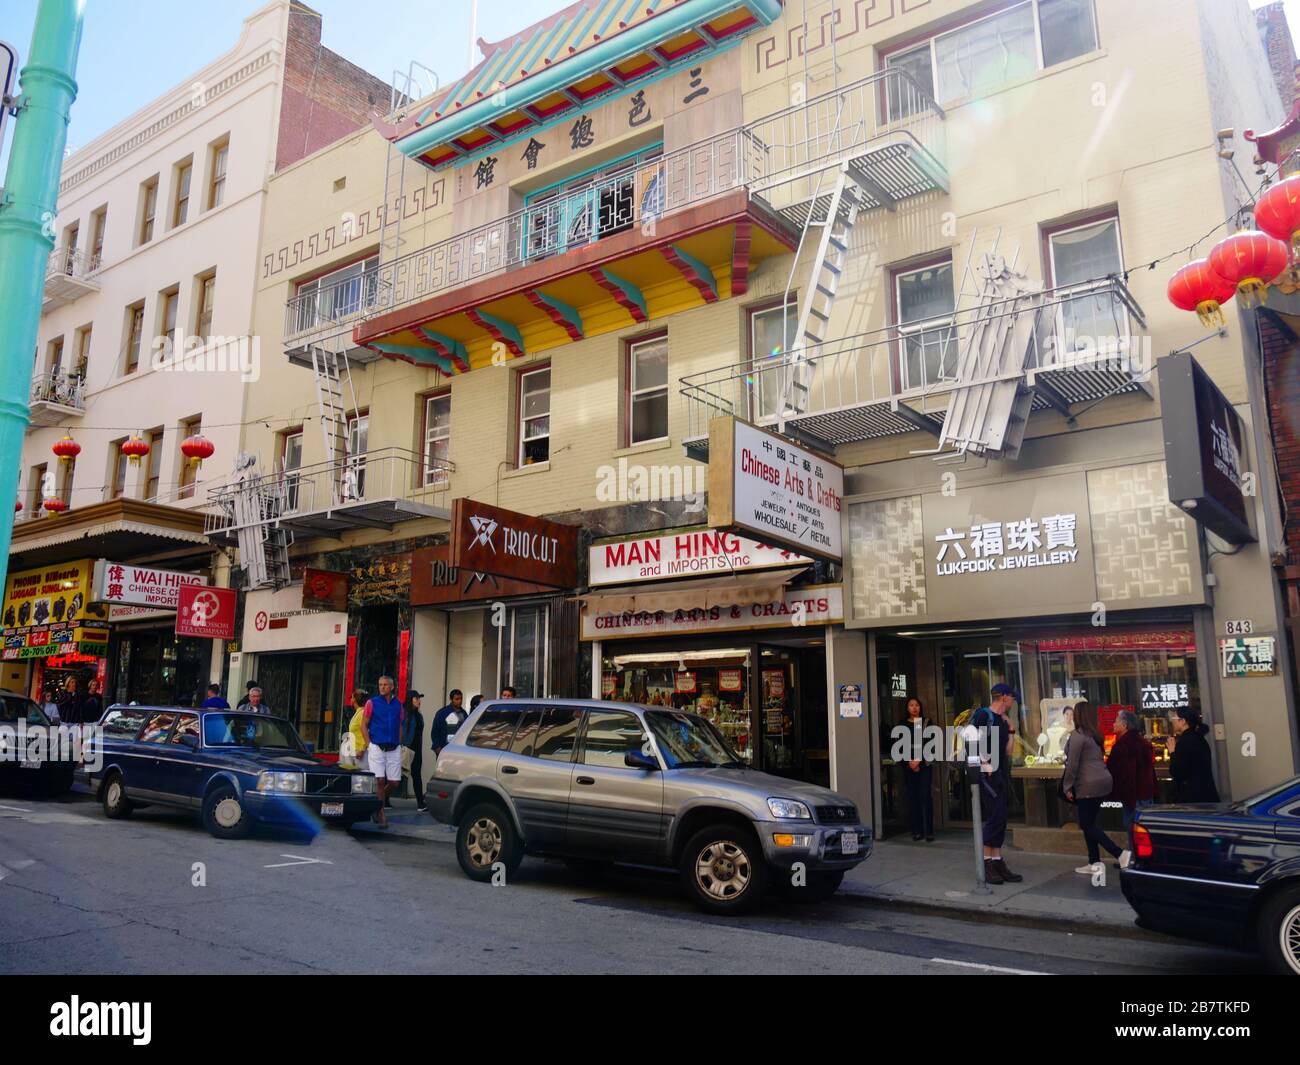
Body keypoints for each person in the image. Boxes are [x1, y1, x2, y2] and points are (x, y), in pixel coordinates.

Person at [969, 682, 1023, 885]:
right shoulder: (984, 715)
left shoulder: (1001, 720)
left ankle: (997, 860)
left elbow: (1008, 751)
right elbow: (971, 740)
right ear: (1004, 697)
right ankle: (986, 862)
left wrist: (1011, 731)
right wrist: (984, 763)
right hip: (987, 775)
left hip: (1000, 773)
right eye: (1012, 697)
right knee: (995, 816)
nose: (1013, 701)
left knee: (1001, 817)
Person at [1062, 700, 1123, 876]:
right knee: (1090, 823)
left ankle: (1120, 854)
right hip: (1102, 781)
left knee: (1087, 824)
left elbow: (1072, 765)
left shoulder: (1078, 735)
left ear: (1078, 716)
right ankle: (1094, 862)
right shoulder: (1095, 735)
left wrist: (1067, 786)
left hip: (1088, 784)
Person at [1106, 709, 1156, 852]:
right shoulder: (1141, 742)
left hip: (1132, 796)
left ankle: (1136, 859)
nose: (1113, 724)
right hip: (1144, 793)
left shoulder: (1124, 745)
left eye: (1116, 721)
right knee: (1142, 831)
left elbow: (1120, 773)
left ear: (1124, 725)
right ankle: (1139, 858)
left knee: (1134, 830)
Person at [360, 676, 404, 828]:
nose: (382, 687)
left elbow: (400, 725)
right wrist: (369, 744)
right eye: (380, 685)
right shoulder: (372, 703)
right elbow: (363, 725)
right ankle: (381, 813)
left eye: (385, 685)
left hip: (394, 748)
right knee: (379, 780)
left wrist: (400, 742)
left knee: (395, 782)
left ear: (392, 687)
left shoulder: (398, 704)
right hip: (377, 747)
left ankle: (377, 803)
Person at [1167, 706, 1220, 803]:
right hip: (1206, 795)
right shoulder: (1199, 738)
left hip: (1193, 799)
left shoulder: (1185, 742)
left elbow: (1178, 771)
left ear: (1183, 721)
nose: (1172, 721)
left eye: (1174, 718)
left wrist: (1172, 752)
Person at [900, 696, 935, 842]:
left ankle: (929, 831)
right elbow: (900, 745)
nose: (914, 708)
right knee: (913, 797)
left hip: (924, 764)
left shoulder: (926, 722)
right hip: (908, 766)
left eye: (917, 705)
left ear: (920, 707)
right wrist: (910, 762)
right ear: (907, 708)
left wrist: (918, 760)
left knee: (925, 796)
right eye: (911, 705)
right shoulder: (902, 724)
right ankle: (917, 831)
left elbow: (930, 742)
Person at [402, 691, 426, 811]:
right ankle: (383, 800)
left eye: (419, 699)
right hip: (406, 748)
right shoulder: (403, 713)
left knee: (416, 775)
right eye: (416, 699)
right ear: (410, 699)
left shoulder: (418, 715)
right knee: (397, 775)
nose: (419, 701)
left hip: (417, 749)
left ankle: (420, 803)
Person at [431, 690, 467, 758]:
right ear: (451, 699)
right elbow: (435, 731)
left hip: (459, 750)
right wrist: (437, 748)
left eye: (461, 699)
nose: (459, 701)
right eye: (457, 699)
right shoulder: (442, 713)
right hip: (444, 749)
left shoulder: (464, 713)